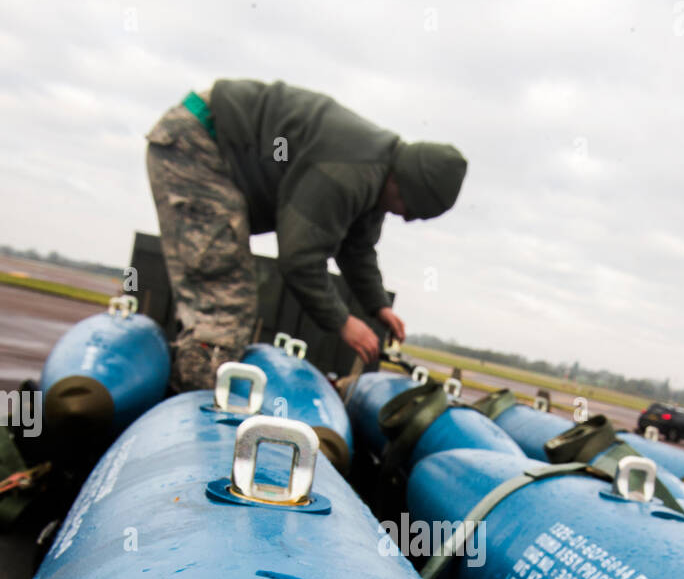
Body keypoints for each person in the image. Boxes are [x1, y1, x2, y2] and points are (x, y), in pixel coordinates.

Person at [145, 79, 467, 391]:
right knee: (224, 307)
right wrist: (344, 322)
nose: (406, 218)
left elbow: (357, 248)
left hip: (210, 142)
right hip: (198, 143)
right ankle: (190, 408)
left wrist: (378, 306)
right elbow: (299, 259)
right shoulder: (349, 170)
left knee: (226, 305)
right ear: (406, 184)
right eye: (408, 208)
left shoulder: (378, 174)